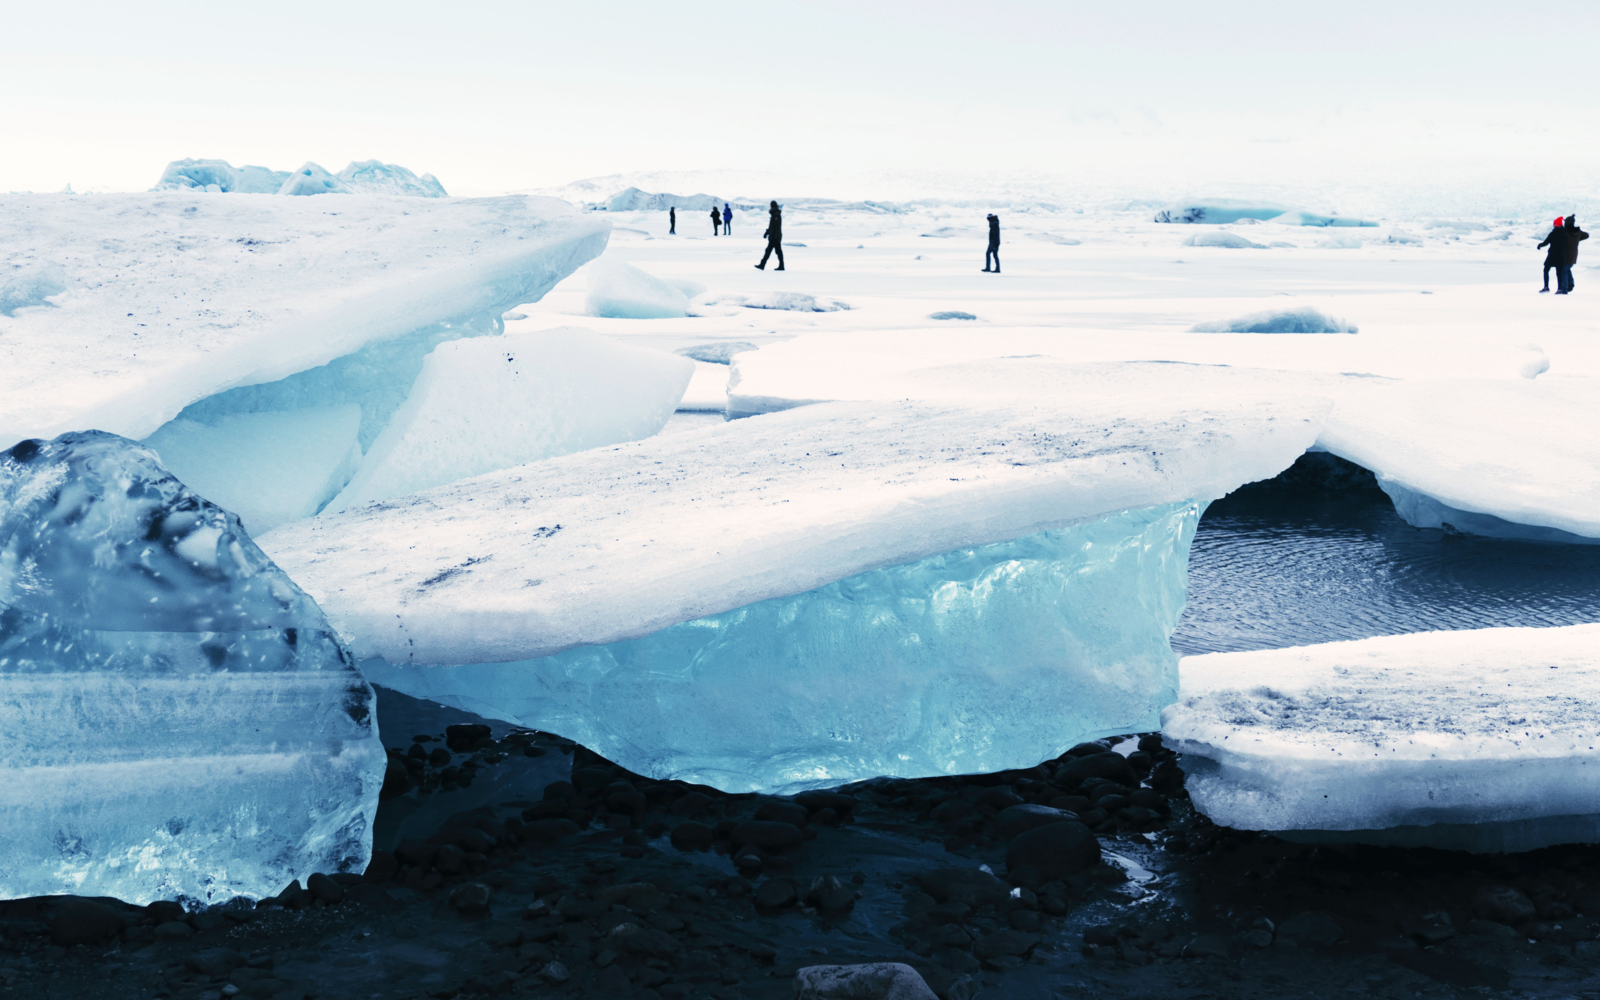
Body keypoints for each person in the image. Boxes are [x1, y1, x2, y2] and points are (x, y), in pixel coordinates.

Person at [1559, 214, 1588, 294]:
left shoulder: (1565, 232)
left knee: (1564, 271)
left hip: (1565, 254)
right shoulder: (1577, 232)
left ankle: (1564, 289)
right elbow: (1586, 235)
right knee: (1567, 268)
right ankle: (1571, 283)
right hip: (1574, 254)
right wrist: (1577, 239)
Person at [756, 200, 785, 270]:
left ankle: (762, 265)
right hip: (774, 237)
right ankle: (781, 266)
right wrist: (767, 232)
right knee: (778, 252)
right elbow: (772, 227)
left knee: (769, 251)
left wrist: (776, 238)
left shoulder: (776, 215)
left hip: (774, 237)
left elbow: (777, 228)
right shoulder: (774, 214)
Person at [1538, 217, 1563, 291]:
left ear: (1555, 224)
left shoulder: (1553, 233)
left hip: (1552, 254)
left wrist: (1540, 245)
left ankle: (1546, 287)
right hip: (1561, 255)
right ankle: (1560, 288)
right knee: (1559, 272)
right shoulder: (1564, 233)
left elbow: (1546, 242)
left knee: (1546, 269)